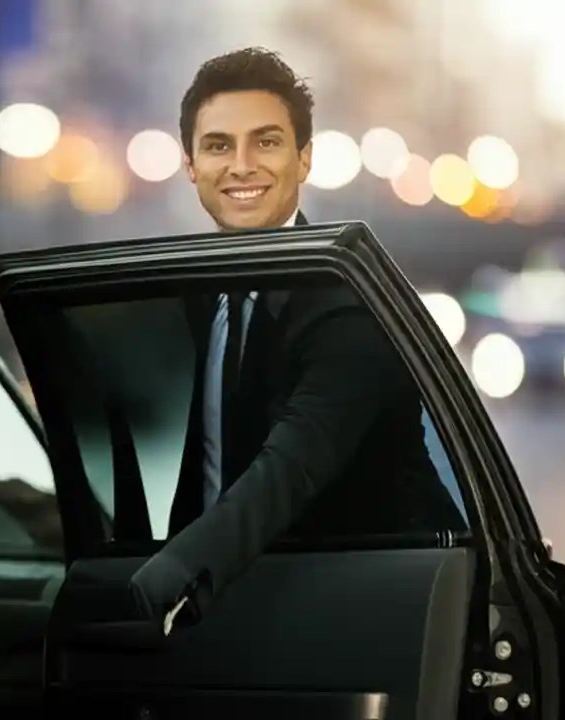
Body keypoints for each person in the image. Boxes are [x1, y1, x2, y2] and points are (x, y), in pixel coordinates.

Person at [127, 47, 465, 633]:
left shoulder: (349, 302)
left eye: (266, 141)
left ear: (303, 159)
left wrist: (176, 569)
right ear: (189, 164)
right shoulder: (191, 293)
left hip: (358, 616)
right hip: (222, 617)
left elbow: (292, 467)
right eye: (217, 146)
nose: (241, 165)